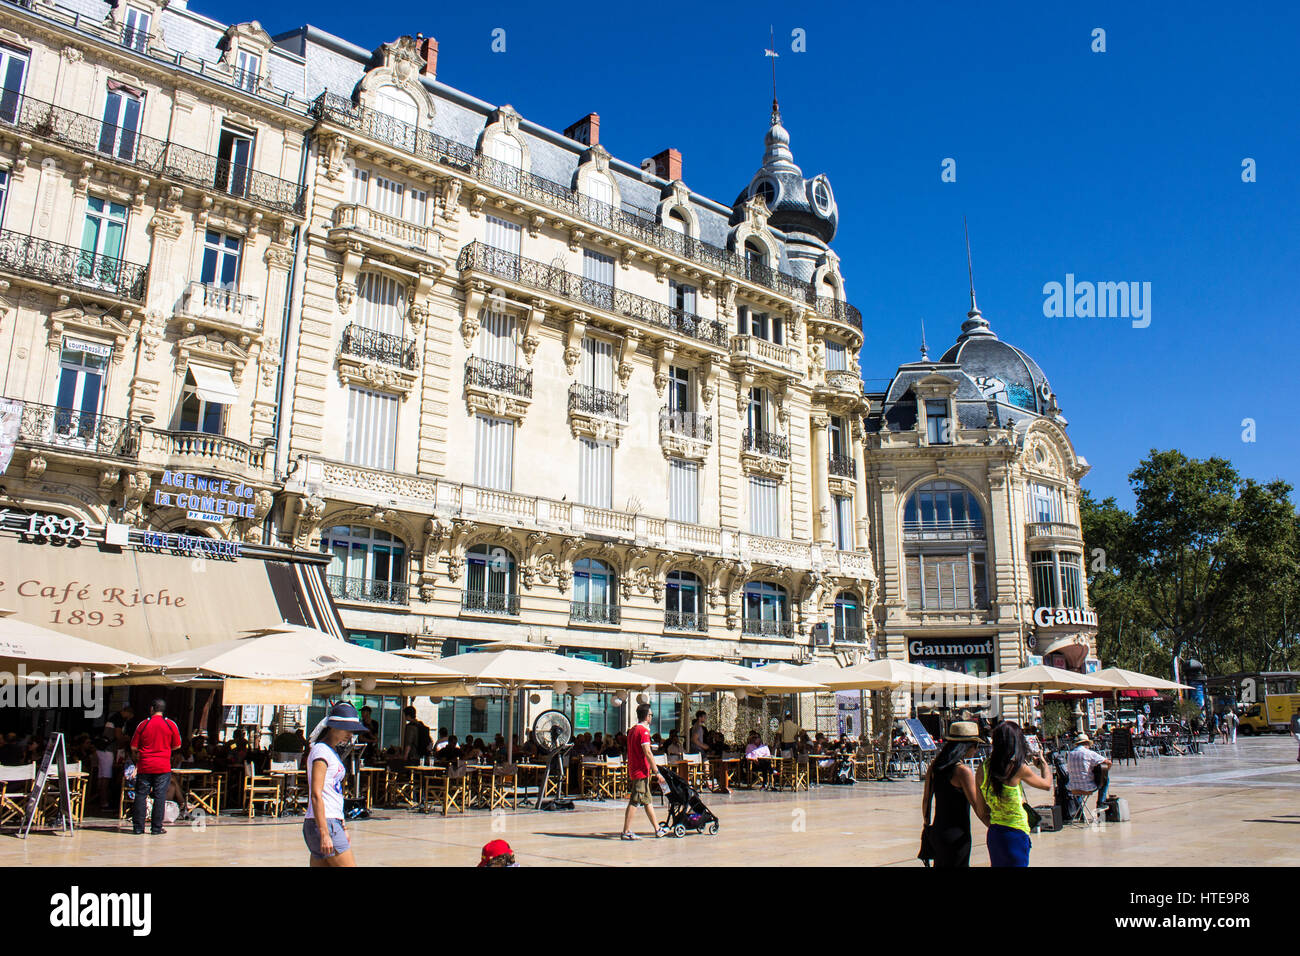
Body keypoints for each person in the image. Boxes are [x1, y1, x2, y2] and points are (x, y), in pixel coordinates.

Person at [979, 721, 1053, 867]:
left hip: (995, 833)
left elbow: (981, 810)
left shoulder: (983, 768)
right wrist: (1044, 765)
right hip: (1016, 832)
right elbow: (1047, 785)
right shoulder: (1018, 768)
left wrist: (997, 823)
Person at [304, 702, 366, 867]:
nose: (350, 734)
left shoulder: (329, 751)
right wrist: (325, 832)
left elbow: (333, 792)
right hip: (325, 821)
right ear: (332, 727)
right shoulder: (321, 751)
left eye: (352, 730)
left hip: (328, 821)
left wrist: (342, 825)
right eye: (346, 728)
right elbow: (316, 793)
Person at [920, 722, 989, 867]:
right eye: (975, 745)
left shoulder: (935, 767)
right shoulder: (963, 771)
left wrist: (927, 826)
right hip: (957, 834)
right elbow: (977, 806)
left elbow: (926, 800)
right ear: (967, 746)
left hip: (938, 832)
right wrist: (993, 826)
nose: (976, 750)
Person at [130, 699, 182, 835]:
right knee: (160, 796)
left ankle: (138, 828)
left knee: (141, 795)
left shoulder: (144, 724)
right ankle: (156, 828)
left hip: (145, 765)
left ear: (151, 709)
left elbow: (133, 746)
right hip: (163, 766)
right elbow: (177, 745)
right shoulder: (170, 724)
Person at [622, 703, 668, 840]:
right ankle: (626, 831)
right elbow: (647, 752)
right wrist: (657, 772)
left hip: (636, 770)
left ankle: (657, 829)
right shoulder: (644, 731)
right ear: (647, 716)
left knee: (647, 801)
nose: (651, 717)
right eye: (651, 715)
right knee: (635, 800)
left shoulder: (632, 730)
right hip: (641, 772)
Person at [1066, 732, 1112, 812]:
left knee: (1079, 782)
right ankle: (1101, 803)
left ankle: (1079, 811)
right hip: (1087, 787)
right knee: (1106, 779)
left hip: (1072, 787)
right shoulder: (1089, 753)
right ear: (1086, 743)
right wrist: (1105, 771)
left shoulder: (1070, 754)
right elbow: (1108, 762)